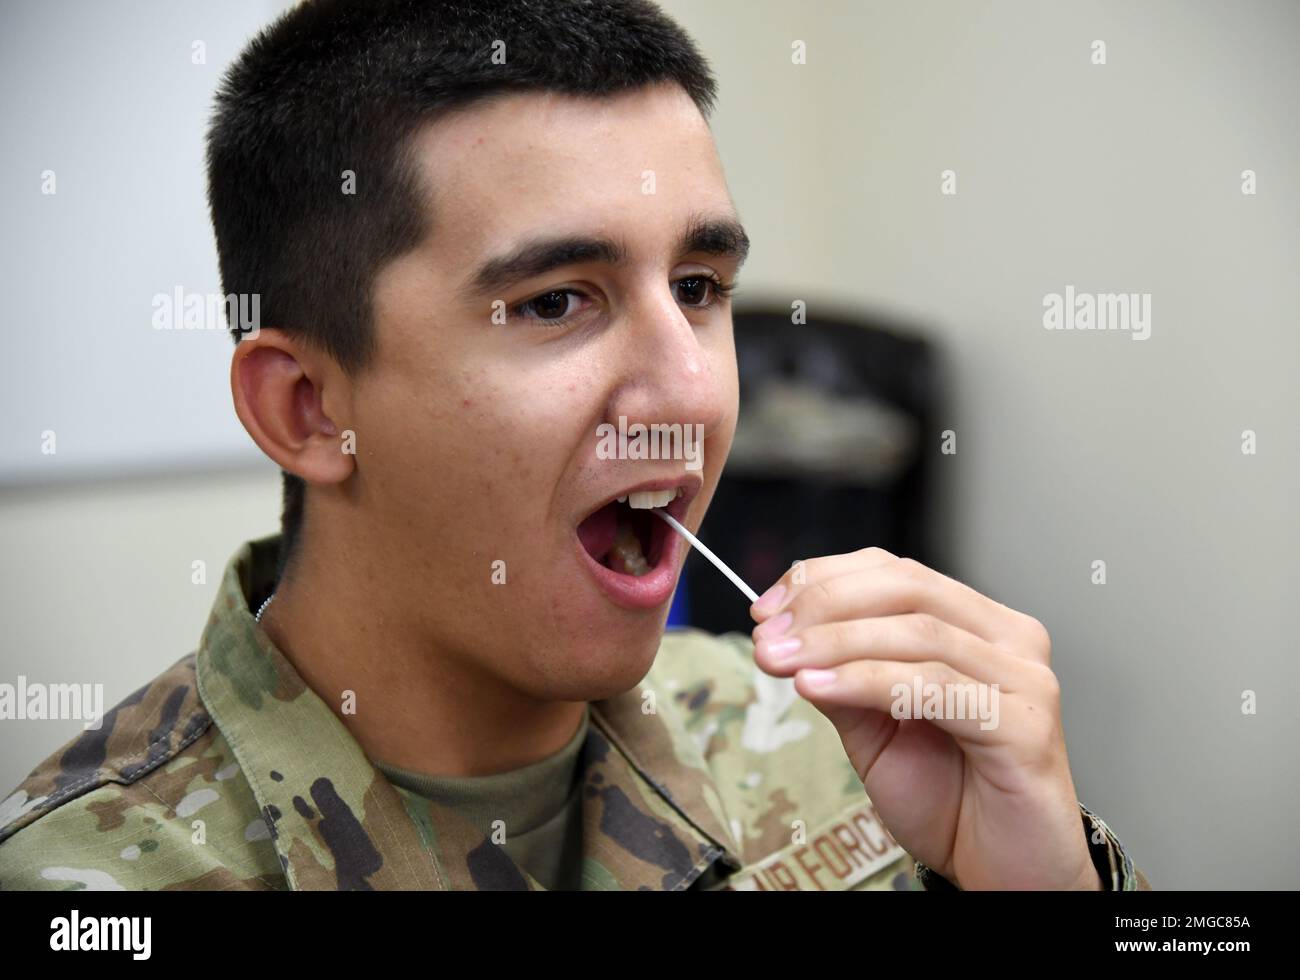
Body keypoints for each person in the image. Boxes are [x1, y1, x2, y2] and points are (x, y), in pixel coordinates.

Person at [0, 0, 1149, 891]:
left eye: (699, 287)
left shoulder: (830, 745)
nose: (691, 388)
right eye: (555, 302)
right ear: (306, 407)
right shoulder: (85, 881)